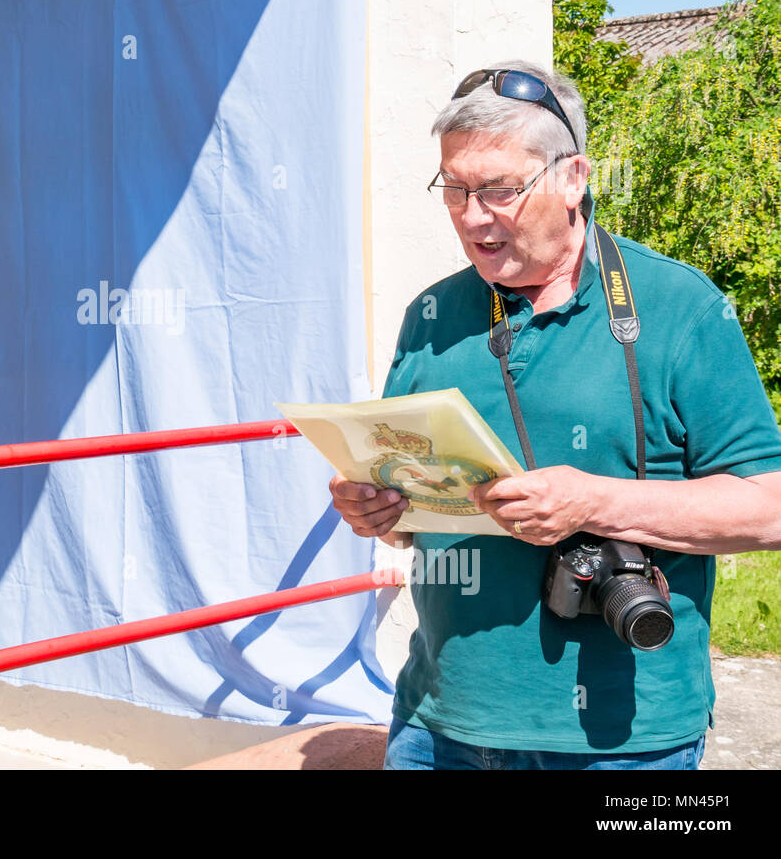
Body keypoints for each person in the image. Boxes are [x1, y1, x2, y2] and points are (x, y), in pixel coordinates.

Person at [331, 62, 781, 769]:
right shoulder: (430, 314)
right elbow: (414, 521)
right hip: (437, 726)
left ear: (574, 178)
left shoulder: (681, 307)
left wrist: (593, 503)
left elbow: (768, 512)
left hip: (621, 744)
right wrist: (382, 512)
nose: (472, 215)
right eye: (454, 188)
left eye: (501, 190)